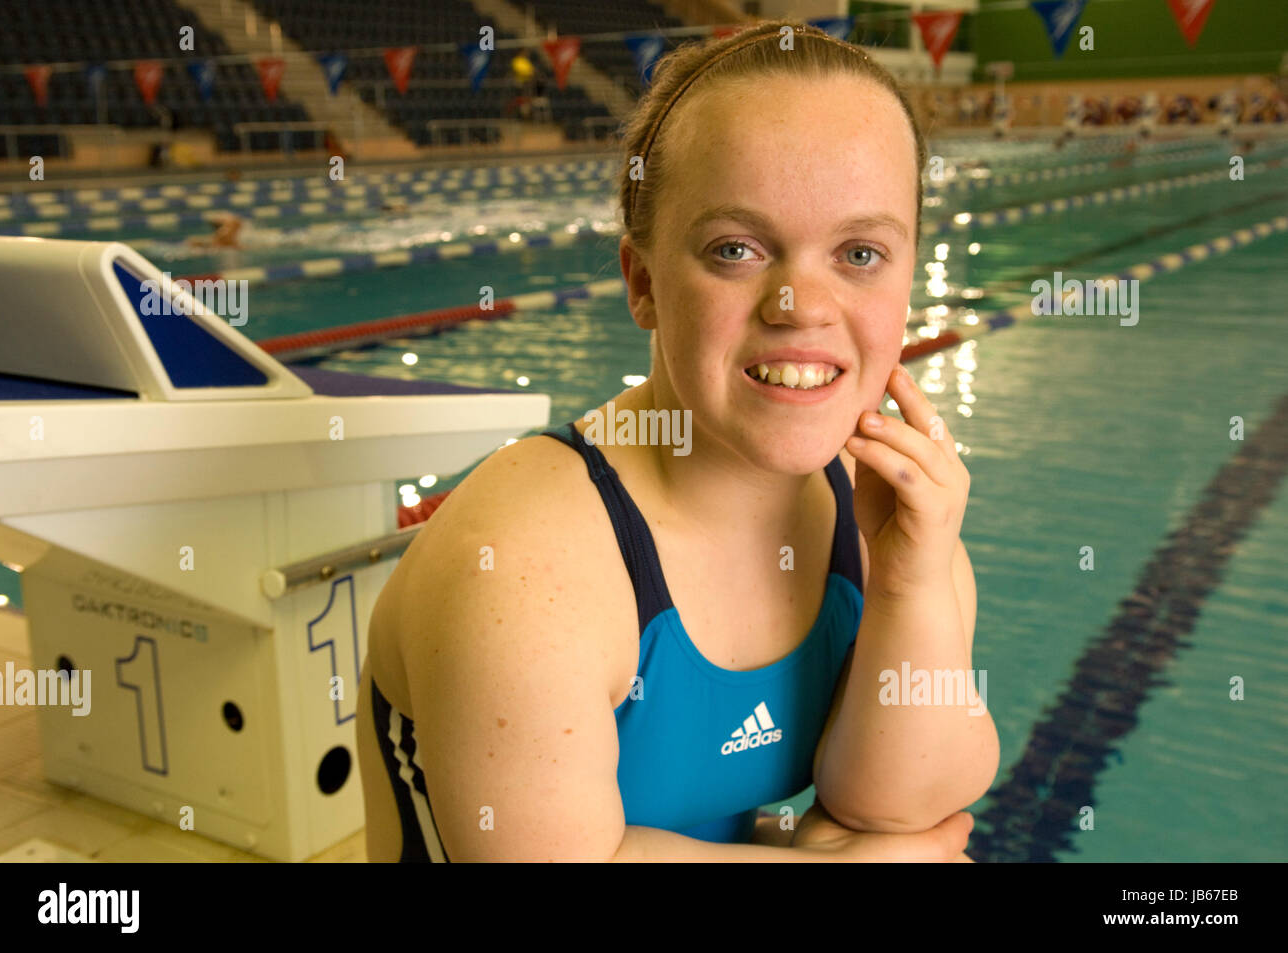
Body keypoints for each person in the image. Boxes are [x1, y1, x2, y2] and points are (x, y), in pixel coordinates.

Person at [357, 20, 998, 862]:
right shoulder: (527, 555)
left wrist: (910, 587)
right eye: (736, 249)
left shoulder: (890, 512)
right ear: (644, 282)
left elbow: (906, 807)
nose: (800, 305)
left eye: (860, 252)